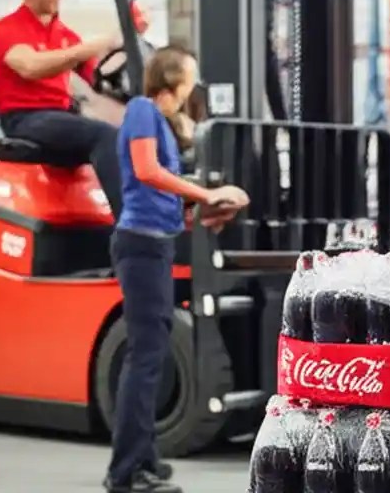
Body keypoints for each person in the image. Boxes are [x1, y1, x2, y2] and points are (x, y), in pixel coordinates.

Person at [104, 45, 249, 493]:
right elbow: (146, 172)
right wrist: (205, 195)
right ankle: (126, 471)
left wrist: (204, 210)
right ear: (175, 77)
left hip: (156, 243)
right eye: (191, 72)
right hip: (141, 245)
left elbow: (159, 191)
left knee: (152, 353)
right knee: (145, 358)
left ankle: (144, 457)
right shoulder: (142, 111)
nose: (195, 80)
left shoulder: (162, 123)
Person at [0, 0, 124, 216]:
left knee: (130, 134)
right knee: (104, 135)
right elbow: (31, 66)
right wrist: (90, 47)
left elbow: (99, 78)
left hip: (60, 117)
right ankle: (132, 229)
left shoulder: (66, 35)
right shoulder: (5, 31)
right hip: (25, 120)